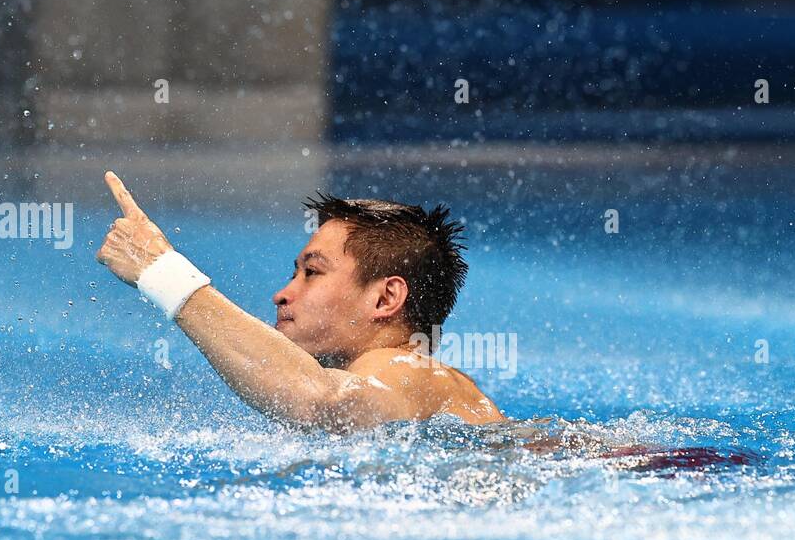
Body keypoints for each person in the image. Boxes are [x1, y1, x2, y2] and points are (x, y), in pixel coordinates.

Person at [95, 171, 505, 432]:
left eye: (312, 272)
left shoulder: (409, 369)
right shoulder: (424, 390)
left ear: (385, 297)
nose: (282, 294)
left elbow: (328, 404)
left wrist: (162, 273)